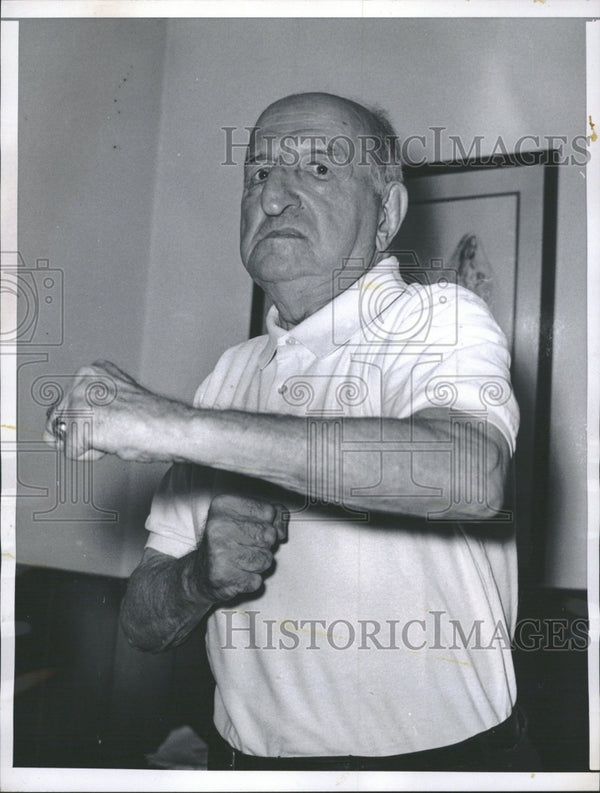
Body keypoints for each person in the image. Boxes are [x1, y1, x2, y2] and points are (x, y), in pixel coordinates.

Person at [45, 92, 536, 771]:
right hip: (248, 766)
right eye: (257, 174)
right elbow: (140, 621)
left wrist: (178, 425)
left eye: (318, 170)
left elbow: (471, 475)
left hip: (442, 767)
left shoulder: (441, 320)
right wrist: (200, 579)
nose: (273, 197)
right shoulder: (231, 373)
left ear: (387, 214)